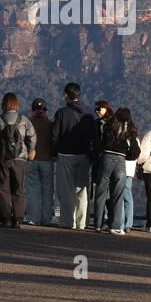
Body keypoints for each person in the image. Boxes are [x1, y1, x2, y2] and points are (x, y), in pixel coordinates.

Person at [0, 93, 37, 228]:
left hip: (2, 159)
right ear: (16, 104)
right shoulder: (24, 120)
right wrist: (29, 151)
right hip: (19, 160)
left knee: (2, 190)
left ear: (3, 104)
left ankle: (5, 220)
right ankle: (18, 219)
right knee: (18, 189)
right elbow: (32, 137)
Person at [53, 83, 97, 230]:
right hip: (84, 156)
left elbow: (55, 136)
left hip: (65, 155)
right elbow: (93, 136)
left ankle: (67, 222)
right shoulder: (89, 114)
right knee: (82, 190)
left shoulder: (61, 113)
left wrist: (55, 152)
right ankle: (81, 222)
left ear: (66, 95)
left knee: (66, 190)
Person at [95, 106, 140, 234]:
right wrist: (127, 155)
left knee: (101, 192)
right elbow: (136, 151)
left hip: (105, 158)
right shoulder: (130, 131)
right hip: (120, 161)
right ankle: (114, 226)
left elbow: (99, 143)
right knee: (117, 194)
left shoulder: (107, 126)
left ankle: (98, 224)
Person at [25, 98, 55, 225]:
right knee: (47, 191)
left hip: (31, 160)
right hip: (47, 160)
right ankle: (46, 218)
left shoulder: (28, 123)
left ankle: (33, 218)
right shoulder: (50, 124)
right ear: (45, 111)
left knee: (32, 190)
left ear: (32, 110)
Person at [89, 99, 114, 230]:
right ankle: (112, 222)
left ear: (106, 108)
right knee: (109, 192)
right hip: (108, 161)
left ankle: (99, 223)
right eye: (96, 109)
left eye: (100, 108)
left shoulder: (103, 124)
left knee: (102, 192)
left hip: (102, 161)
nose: (97, 111)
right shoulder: (110, 123)